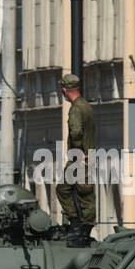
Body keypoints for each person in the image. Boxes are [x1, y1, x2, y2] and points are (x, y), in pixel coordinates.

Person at [53, 73, 97, 242]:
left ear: (64, 90)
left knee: (80, 192)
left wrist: (78, 152)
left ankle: (80, 226)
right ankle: (80, 225)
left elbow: (76, 132)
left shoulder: (76, 109)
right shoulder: (86, 106)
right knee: (70, 189)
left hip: (79, 158)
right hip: (87, 156)